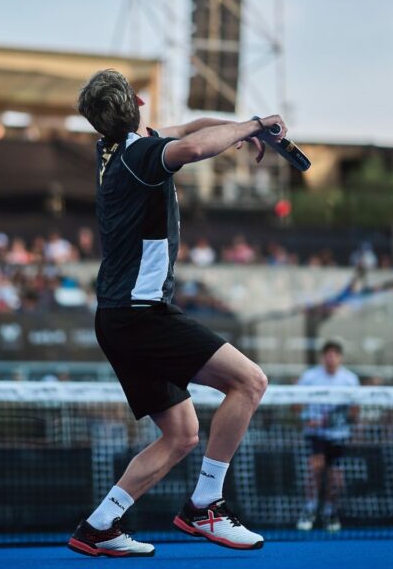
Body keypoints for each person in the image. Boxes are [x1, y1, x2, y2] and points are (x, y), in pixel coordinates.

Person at [66, 69, 281, 557]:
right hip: (142, 315)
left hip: (119, 317)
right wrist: (251, 125)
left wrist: (248, 127)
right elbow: (196, 147)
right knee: (250, 382)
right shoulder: (142, 155)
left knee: (182, 434)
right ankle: (206, 505)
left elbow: (190, 130)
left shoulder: (113, 147)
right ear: (139, 104)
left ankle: (99, 526)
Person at [295, 340, 360, 532]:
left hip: (339, 435)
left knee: (336, 477)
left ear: (340, 357)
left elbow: (355, 411)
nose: (331, 358)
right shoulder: (309, 377)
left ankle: (330, 512)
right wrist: (308, 419)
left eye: (334, 354)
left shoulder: (350, 379)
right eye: (327, 354)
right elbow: (295, 404)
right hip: (316, 435)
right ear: (323, 357)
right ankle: (310, 509)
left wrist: (331, 420)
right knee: (315, 468)